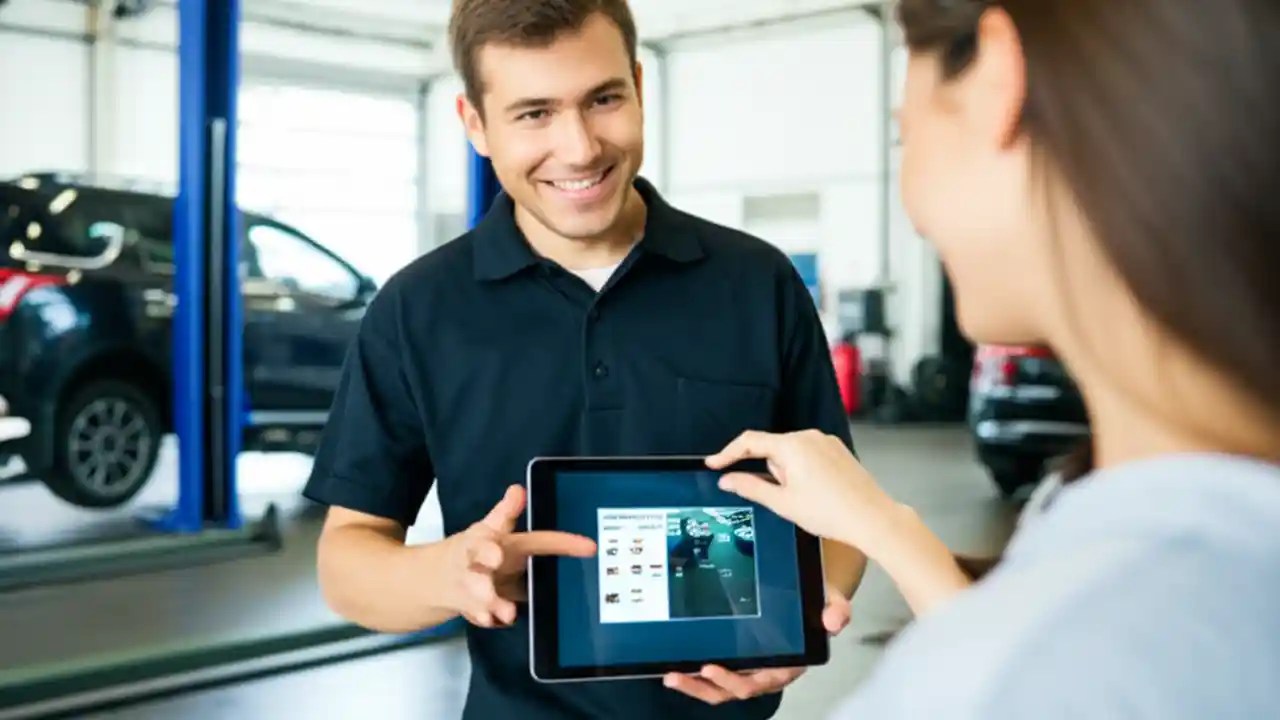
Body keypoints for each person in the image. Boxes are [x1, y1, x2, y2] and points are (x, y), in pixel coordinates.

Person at [693, 0, 1280, 716]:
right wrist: (885, 527)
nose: (913, 205)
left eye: (903, 136)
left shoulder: (1011, 669)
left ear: (997, 81)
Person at [302, 1, 866, 718]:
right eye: (534, 113)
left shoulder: (758, 283)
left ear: (638, 86)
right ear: (475, 123)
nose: (579, 149)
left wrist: (811, 609)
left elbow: (842, 511)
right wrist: (447, 574)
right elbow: (348, 559)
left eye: (603, 99)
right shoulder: (418, 309)